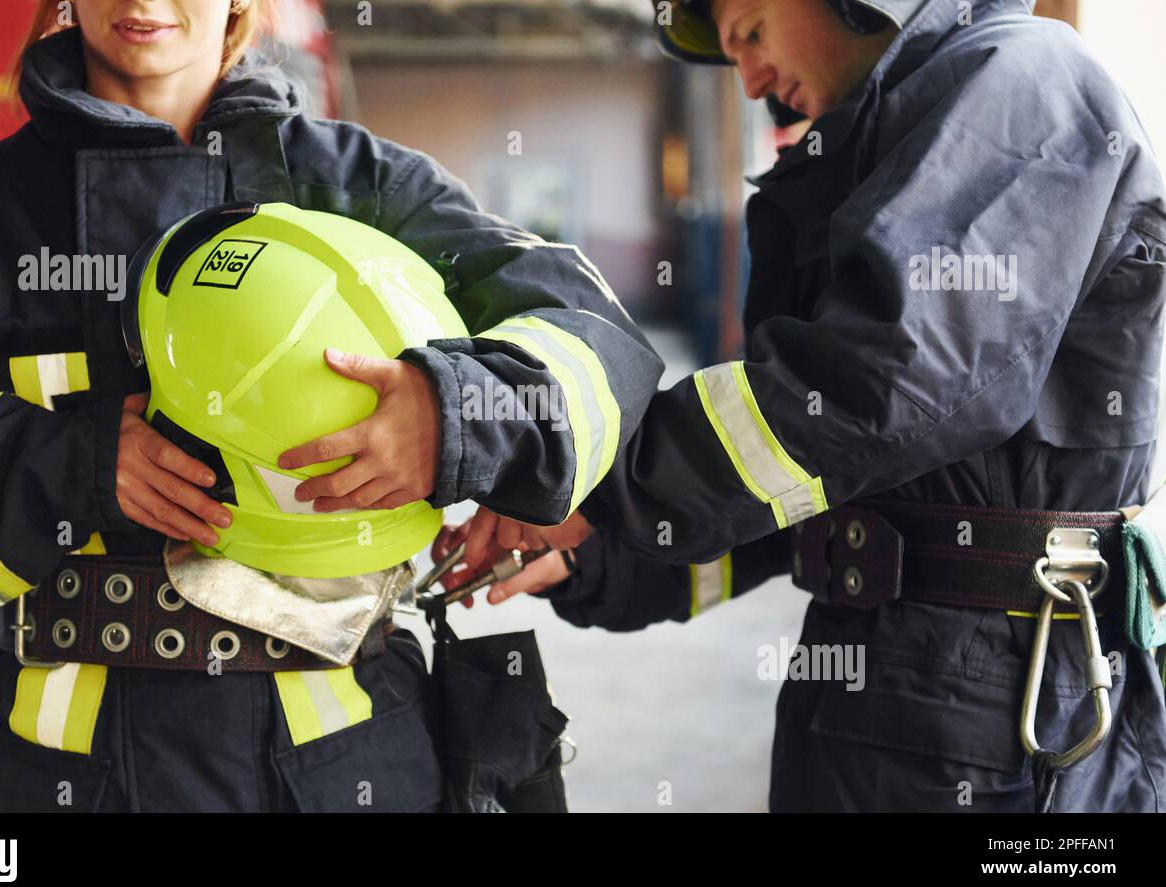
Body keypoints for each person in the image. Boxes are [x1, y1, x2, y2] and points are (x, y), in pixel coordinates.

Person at [0, 0, 660, 811]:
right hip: (34, 780)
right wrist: (64, 465)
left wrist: (459, 415)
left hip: (341, 772)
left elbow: (597, 336)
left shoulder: (364, 188)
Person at [432, 0, 1166, 812]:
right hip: (896, 679)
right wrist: (594, 547)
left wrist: (596, 479)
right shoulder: (886, 143)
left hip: (993, 693)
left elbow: (880, 383)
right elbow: (807, 483)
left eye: (749, 31)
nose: (748, 79)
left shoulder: (1022, 78)